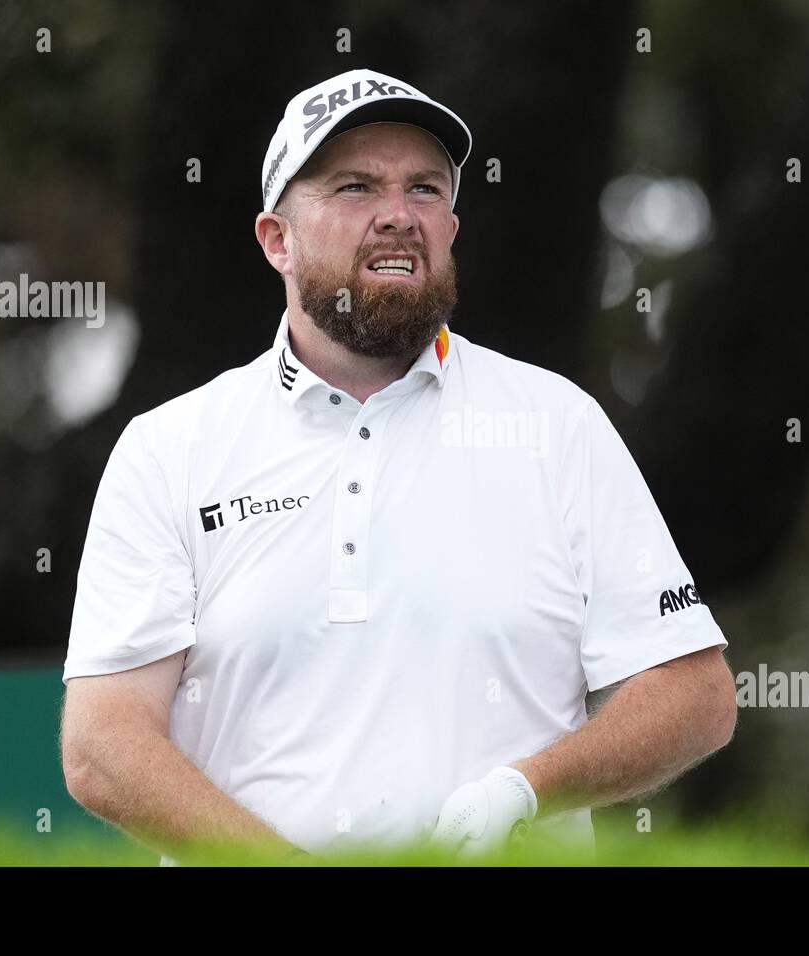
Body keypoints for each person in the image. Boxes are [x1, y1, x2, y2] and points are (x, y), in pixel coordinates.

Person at [60, 68, 738, 865]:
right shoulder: (170, 448)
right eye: (354, 188)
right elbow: (102, 742)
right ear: (277, 239)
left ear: (451, 225)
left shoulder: (556, 425)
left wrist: (526, 789)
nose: (397, 216)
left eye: (424, 189)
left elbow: (697, 695)